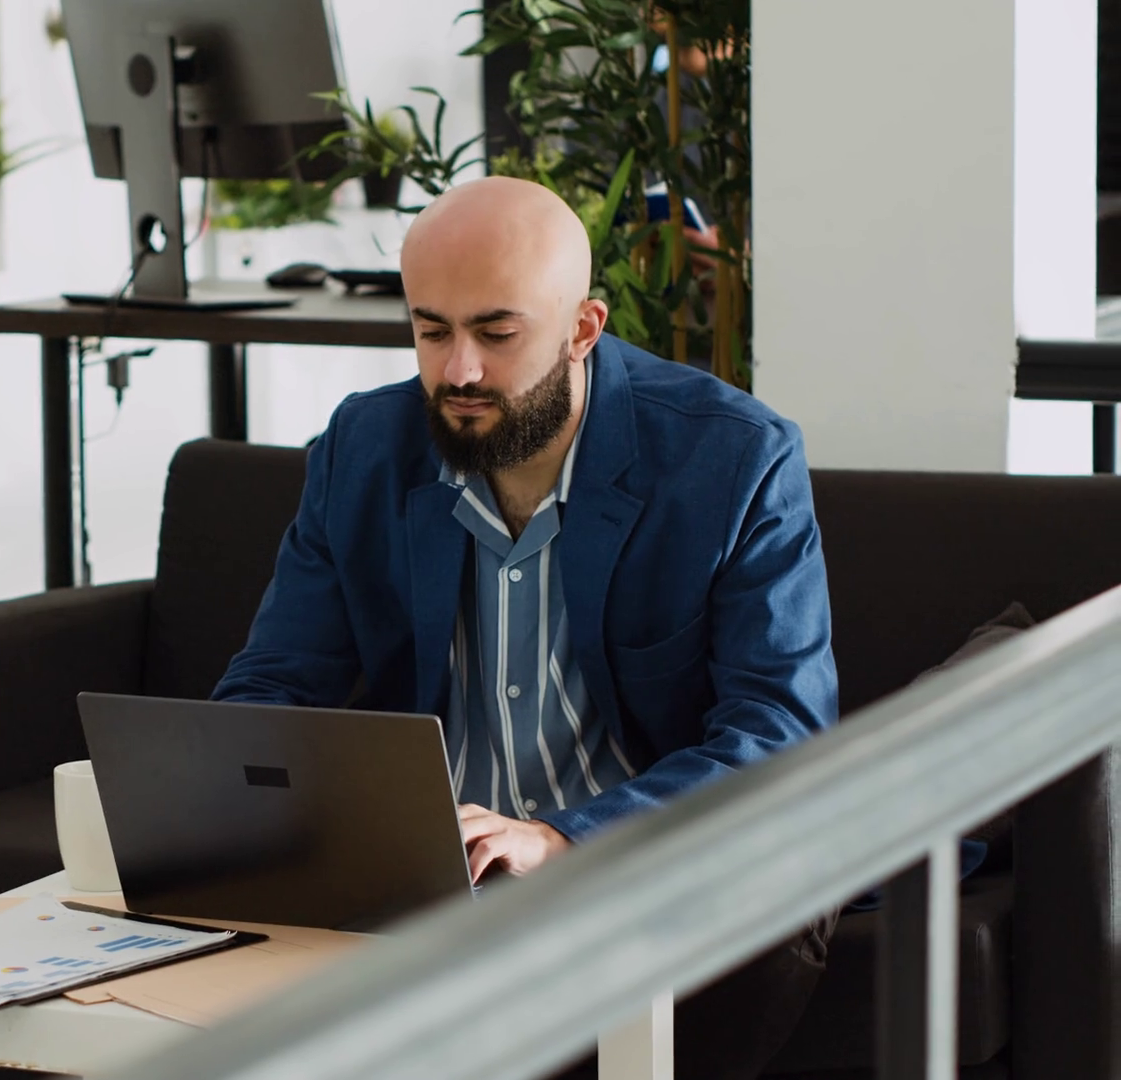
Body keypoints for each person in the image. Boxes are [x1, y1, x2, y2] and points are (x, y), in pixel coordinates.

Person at [211, 177, 837, 1080]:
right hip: (438, 883)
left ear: (583, 328)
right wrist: (221, 796)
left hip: (636, 868)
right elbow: (272, 684)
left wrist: (565, 840)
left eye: (497, 334)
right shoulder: (363, 446)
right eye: (432, 331)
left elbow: (780, 733)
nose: (458, 370)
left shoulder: (734, 459)